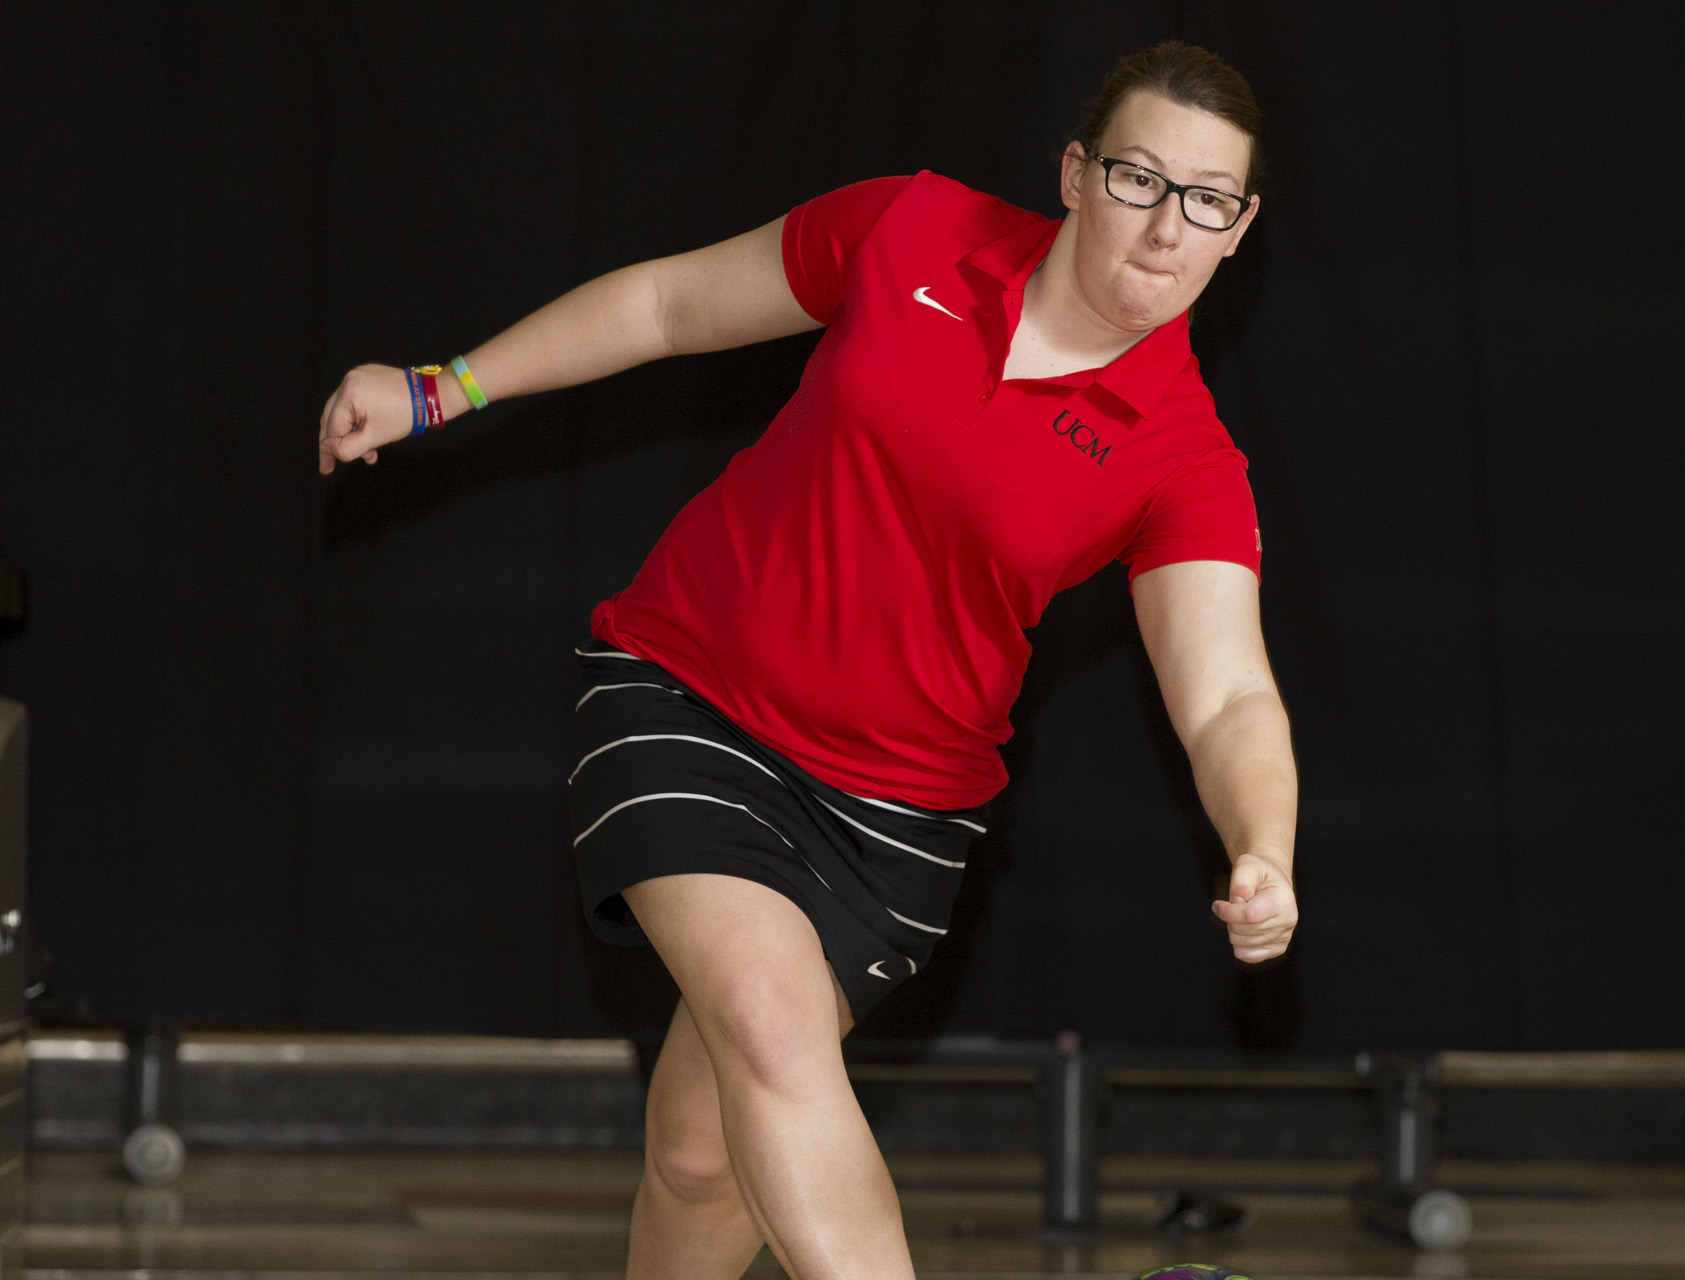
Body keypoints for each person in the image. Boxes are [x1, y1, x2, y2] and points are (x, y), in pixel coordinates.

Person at [318, 39, 1298, 1280]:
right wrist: (438, 387)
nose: (1166, 227)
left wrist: (1264, 843)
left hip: (895, 814)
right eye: (1139, 180)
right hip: (689, 697)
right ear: (1074, 173)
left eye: (1207, 201)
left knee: (700, 1155)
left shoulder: (1185, 457)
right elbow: (669, 305)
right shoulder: (912, 230)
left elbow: (1226, 693)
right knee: (774, 1033)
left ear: (1238, 227)